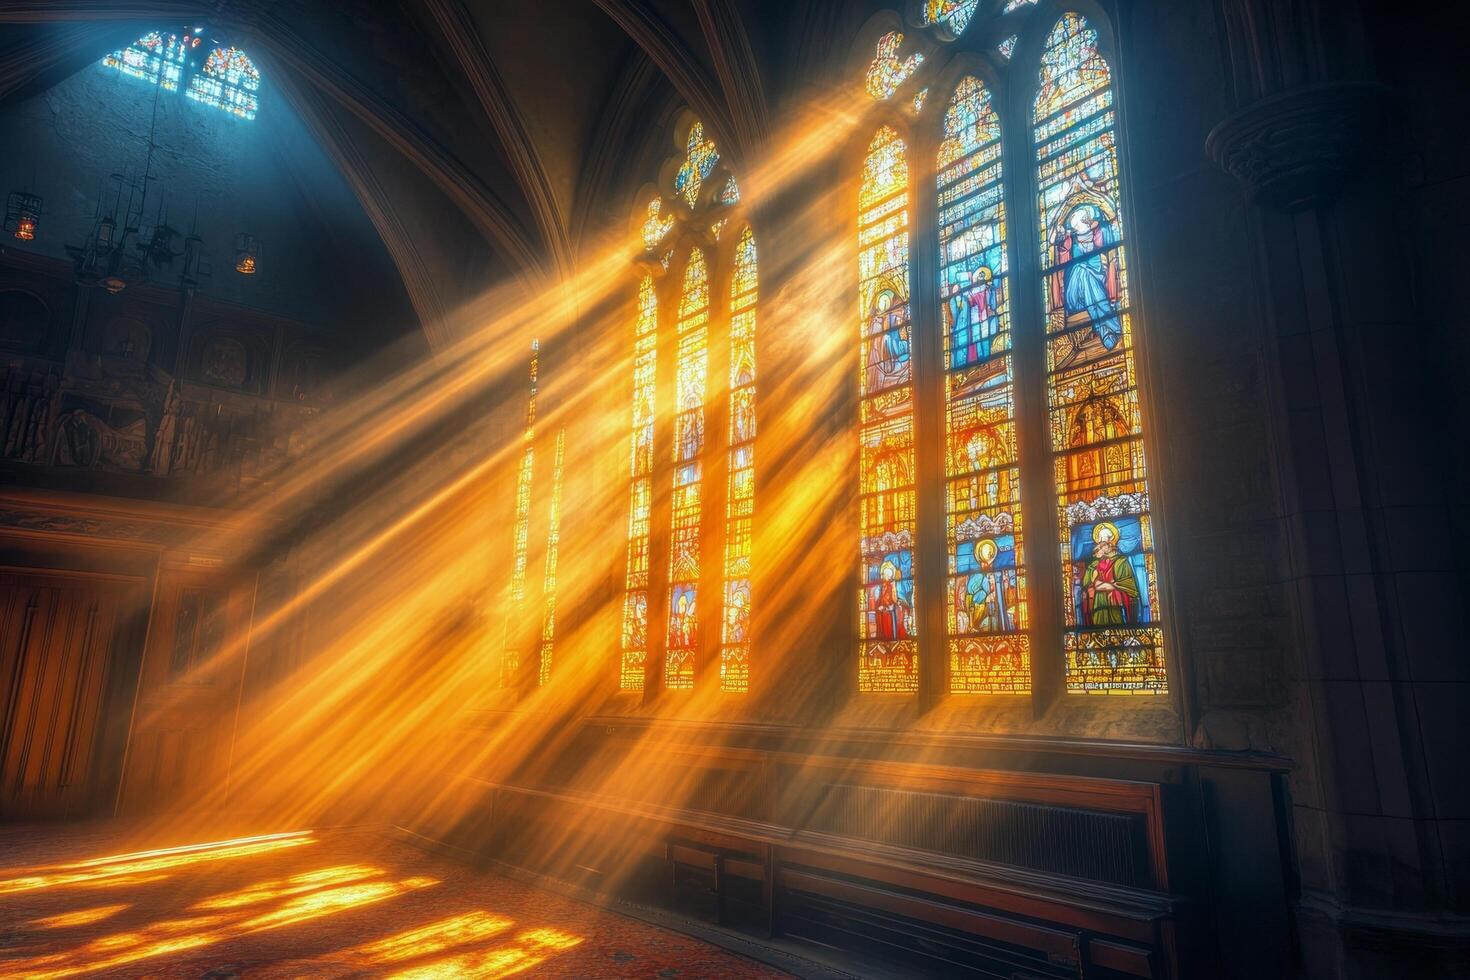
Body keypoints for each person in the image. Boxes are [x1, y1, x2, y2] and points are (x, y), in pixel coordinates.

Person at [1051, 204, 1122, 350]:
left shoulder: (1100, 234)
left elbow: (1115, 235)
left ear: (1087, 222)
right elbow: (1054, 243)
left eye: (1078, 224)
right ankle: (1111, 328)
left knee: (1087, 277)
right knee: (1081, 269)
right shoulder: (1070, 241)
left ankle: (1104, 330)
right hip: (1074, 295)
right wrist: (1057, 233)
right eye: (1074, 226)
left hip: (1096, 289)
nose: (1075, 228)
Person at [1081, 522, 1140, 626]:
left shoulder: (1121, 561)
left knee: (1118, 624)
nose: (1103, 541)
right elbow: (1087, 584)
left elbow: (1129, 586)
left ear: (1112, 540)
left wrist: (1109, 585)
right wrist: (1095, 583)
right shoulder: (1093, 565)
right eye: (1100, 538)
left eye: (1106, 538)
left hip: (1115, 602)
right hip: (1097, 603)